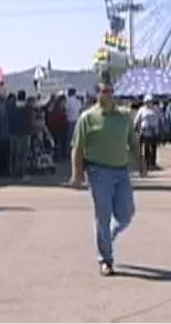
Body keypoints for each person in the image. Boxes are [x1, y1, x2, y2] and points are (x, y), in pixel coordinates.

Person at [70, 81, 146, 276]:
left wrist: (142, 163)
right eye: (104, 91)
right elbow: (77, 148)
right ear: (97, 93)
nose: (108, 95)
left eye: (111, 91)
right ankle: (105, 259)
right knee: (102, 215)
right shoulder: (87, 118)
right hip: (98, 171)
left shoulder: (123, 117)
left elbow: (134, 142)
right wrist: (77, 174)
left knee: (127, 213)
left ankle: (109, 236)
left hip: (121, 171)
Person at [9, 91, 34, 179]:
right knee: (23, 154)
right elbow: (30, 121)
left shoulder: (11, 107)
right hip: (24, 133)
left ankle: (13, 172)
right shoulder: (28, 108)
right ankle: (22, 173)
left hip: (13, 133)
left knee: (14, 154)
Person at [133, 95, 162, 171]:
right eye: (147, 102)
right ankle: (147, 163)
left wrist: (162, 128)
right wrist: (135, 127)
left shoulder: (156, 109)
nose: (149, 103)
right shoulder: (142, 110)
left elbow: (160, 119)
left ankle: (153, 163)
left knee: (153, 147)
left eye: (150, 101)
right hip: (145, 131)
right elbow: (137, 119)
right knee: (146, 147)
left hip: (154, 131)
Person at [0, 93, 16, 177]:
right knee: (7, 154)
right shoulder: (8, 109)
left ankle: (0, 170)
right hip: (7, 135)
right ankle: (6, 171)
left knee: (0, 154)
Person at [47, 95, 70, 163]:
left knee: (57, 143)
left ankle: (57, 157)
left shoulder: (54, 108)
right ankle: (59, 157)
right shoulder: (60, 109)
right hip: (59, 128)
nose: (65, 103)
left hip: (55, 128)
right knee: (59, 143)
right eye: (64, 101)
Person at [65, 87, 83, 163]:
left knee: (68, 139)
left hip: (69, 121)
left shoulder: (67, 101)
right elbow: (80, 110)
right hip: (77, 121)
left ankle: (67, 154)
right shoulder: (78, 102)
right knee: (76, 139)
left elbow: (65, 110)